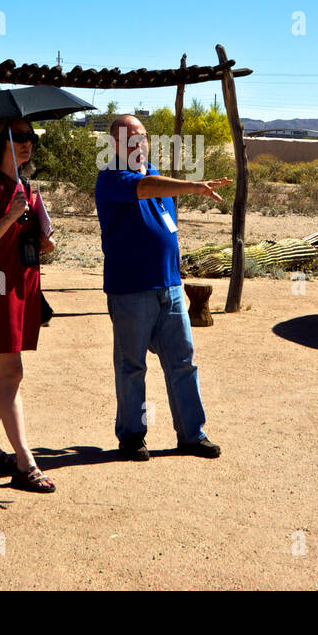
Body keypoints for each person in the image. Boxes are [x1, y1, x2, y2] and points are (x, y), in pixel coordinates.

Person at [95, 114, 231, 461]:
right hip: (131, 290)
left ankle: (191, 434)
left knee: (183, 362)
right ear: (114, 145)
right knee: (131, 366)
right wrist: (195, 186)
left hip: (169, 287)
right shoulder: (111, 178)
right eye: (130, 138)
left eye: (142, 137)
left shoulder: (154, 175)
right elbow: (143, 189)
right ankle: (131, 437)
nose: (139, 143)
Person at [0, 118, 57, 493]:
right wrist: (9, 216)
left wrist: (43, 242)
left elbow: (25, 237)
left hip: (24, 284)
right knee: (12, 371)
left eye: (30, 137)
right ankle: (24, 462)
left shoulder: (27, 188)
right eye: (18, 137)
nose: (27, 143)